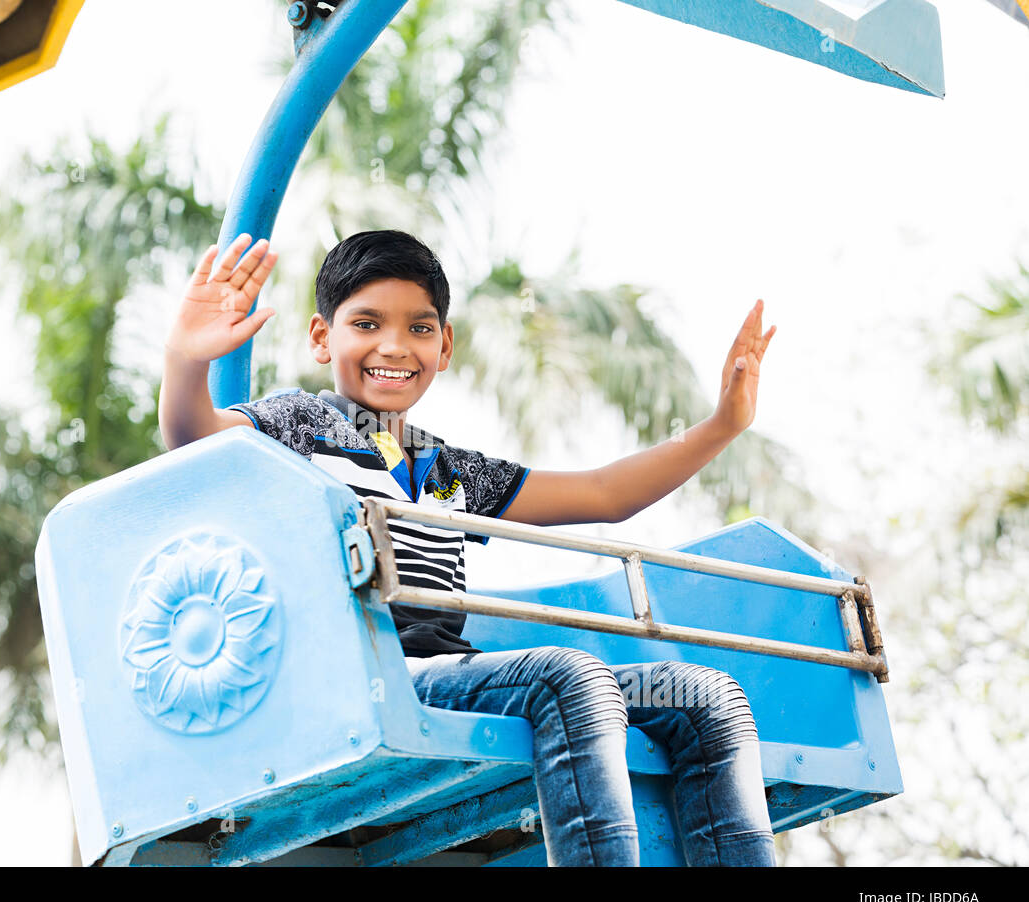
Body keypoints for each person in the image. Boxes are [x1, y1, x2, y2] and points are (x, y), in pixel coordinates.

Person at [159, 228, 778, 866]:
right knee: (568, 678)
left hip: (449, 676)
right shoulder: (301, 426)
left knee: (704, 697)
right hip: (366, 680)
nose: (394, 347)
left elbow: (601, 494)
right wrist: (186, 358)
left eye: (419, 329)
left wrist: (721, 425)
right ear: (323, 337)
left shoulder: (446, 468)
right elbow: (196, 436)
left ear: (444, 344)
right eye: (367, 323)